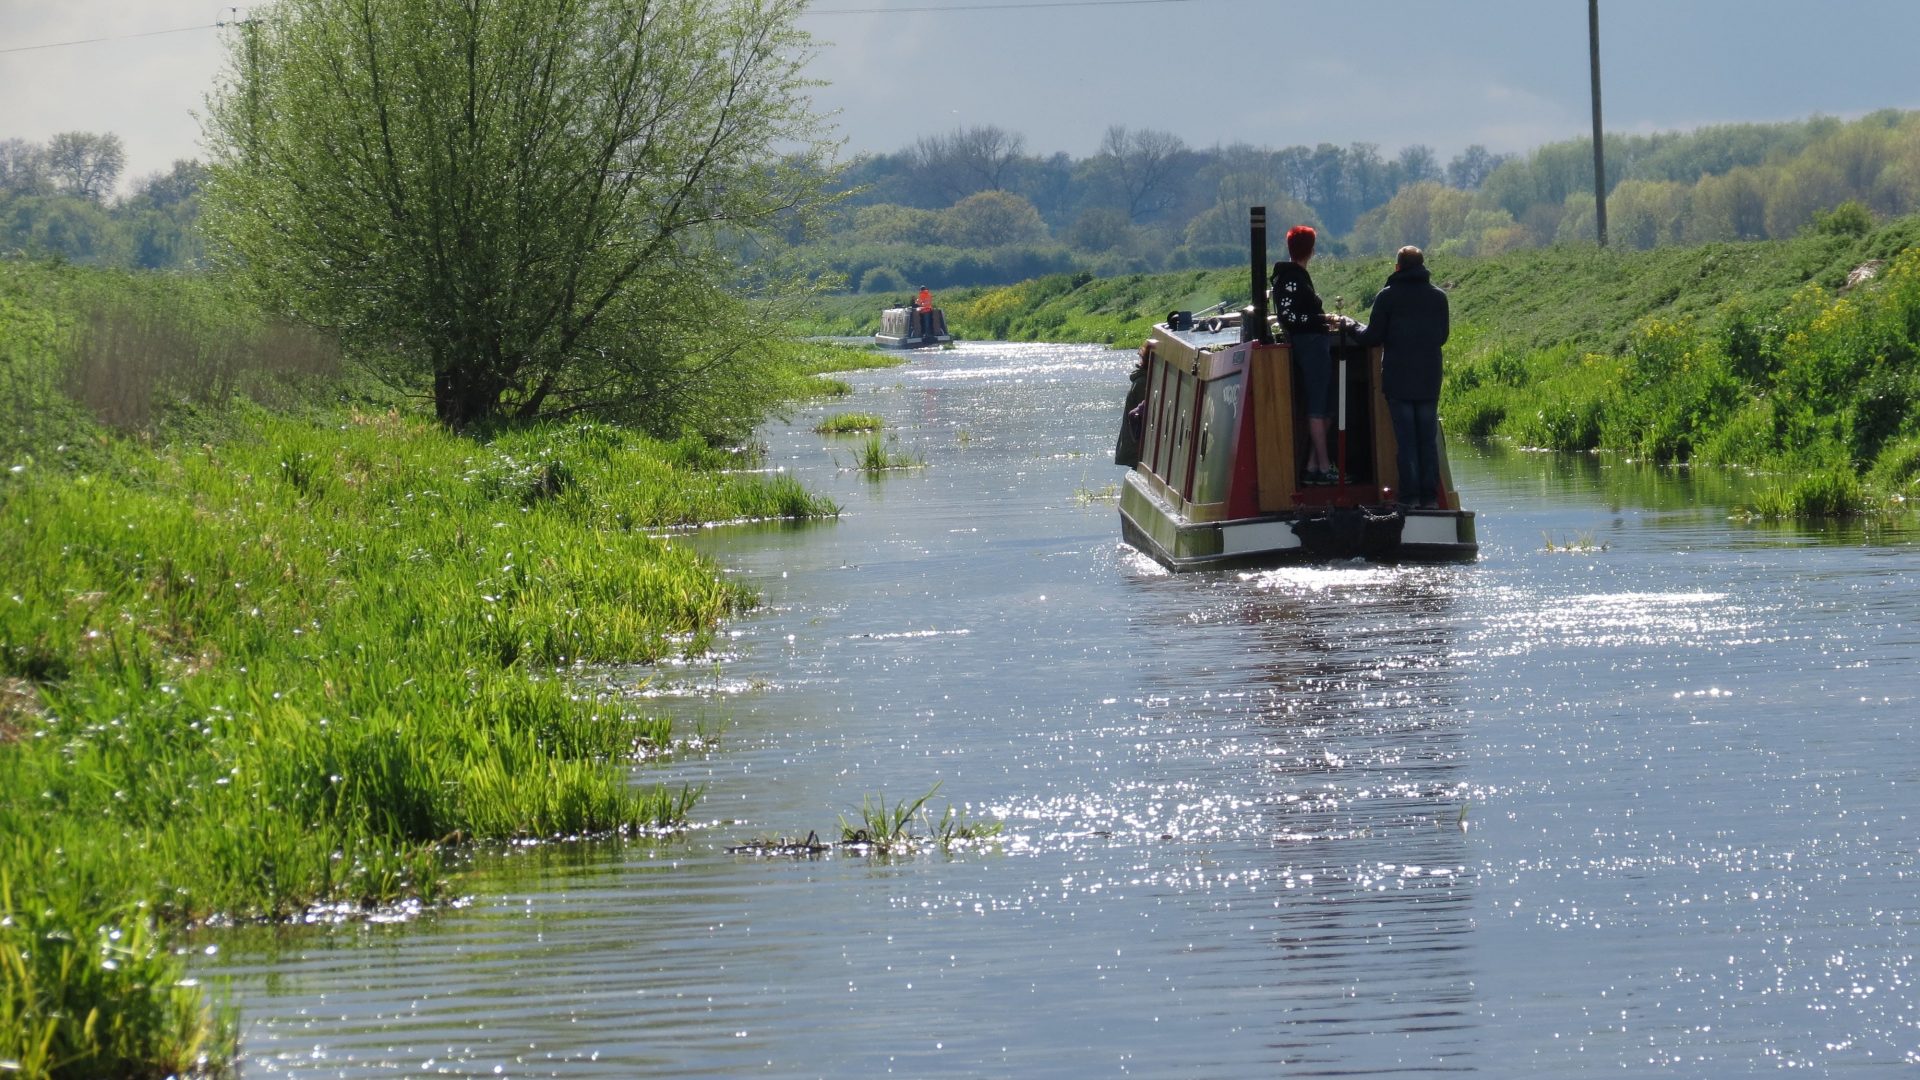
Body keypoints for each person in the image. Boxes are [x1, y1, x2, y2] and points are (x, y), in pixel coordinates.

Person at [1342, 246, 1451, 509]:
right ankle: (1430, 499)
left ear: (1397, 267)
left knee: (1407, 442)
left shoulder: (1387, 297)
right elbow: (1442, 337)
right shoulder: (1438, 297)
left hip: (1399, 379)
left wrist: (1350, 325)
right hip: (1428, 379)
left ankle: (1410, 498)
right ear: (1423, 266)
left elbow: (1372, 337)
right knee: (1427, 440)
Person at [1270, 225, 1342, 484]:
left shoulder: (1296, 276)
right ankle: (1324, 467)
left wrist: (1320, 320)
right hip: (1309, 345)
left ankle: (1313, 465)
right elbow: (1288, 317)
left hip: (1315, 343)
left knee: (1328, 406)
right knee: (1318, 407)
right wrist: (1321, 318)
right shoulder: (1291, 279)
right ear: (1310, 250)